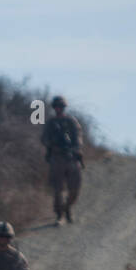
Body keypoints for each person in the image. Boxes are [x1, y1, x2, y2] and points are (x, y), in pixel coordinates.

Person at [41, 95, 84, 224]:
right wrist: (53, 142)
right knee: (58, 189)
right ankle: (60, 215)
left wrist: (75, 149)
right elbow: (44, 139)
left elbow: (78, 137)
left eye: (61, 107)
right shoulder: (50, 123)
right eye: (57, 107)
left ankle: (67, 208)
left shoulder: (71, 121)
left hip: (71, 157)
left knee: (74, 189)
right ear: (54, 108)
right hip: (57, 157)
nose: (59, 109)